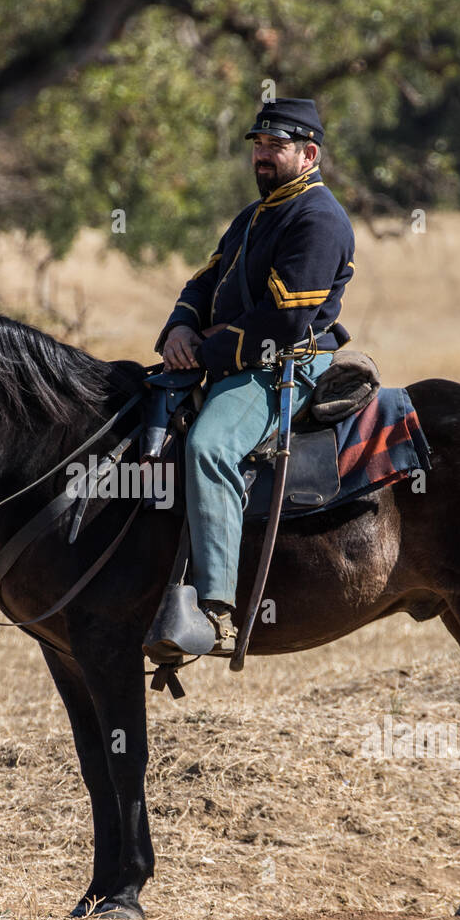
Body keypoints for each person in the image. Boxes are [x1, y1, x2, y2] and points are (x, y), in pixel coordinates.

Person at [155, 98, 357, 652]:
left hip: (282, 363)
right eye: (259, 147)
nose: (262, 157)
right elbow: (205, 281)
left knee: (209, 445)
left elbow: (284, 321)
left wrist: (205, 352)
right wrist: (179, 329)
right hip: (230, 352)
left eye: (276, 147)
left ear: (308, 154)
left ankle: (215, 606)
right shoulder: (255, 214)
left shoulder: (318, 218)